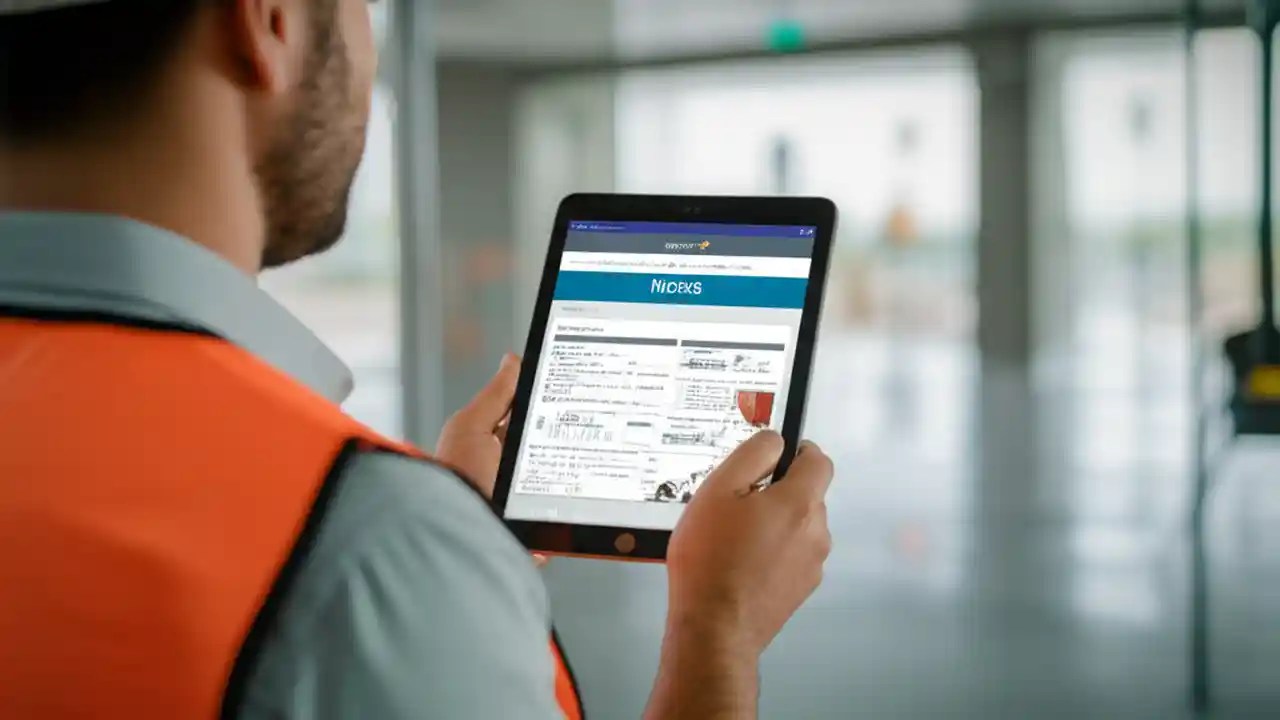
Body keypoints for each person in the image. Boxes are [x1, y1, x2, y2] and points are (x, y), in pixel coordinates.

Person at [0, 1, 835, 717]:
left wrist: (449, 531)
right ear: (269, 22)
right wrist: (716, 634)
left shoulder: (379, 542)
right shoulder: (366, 546)